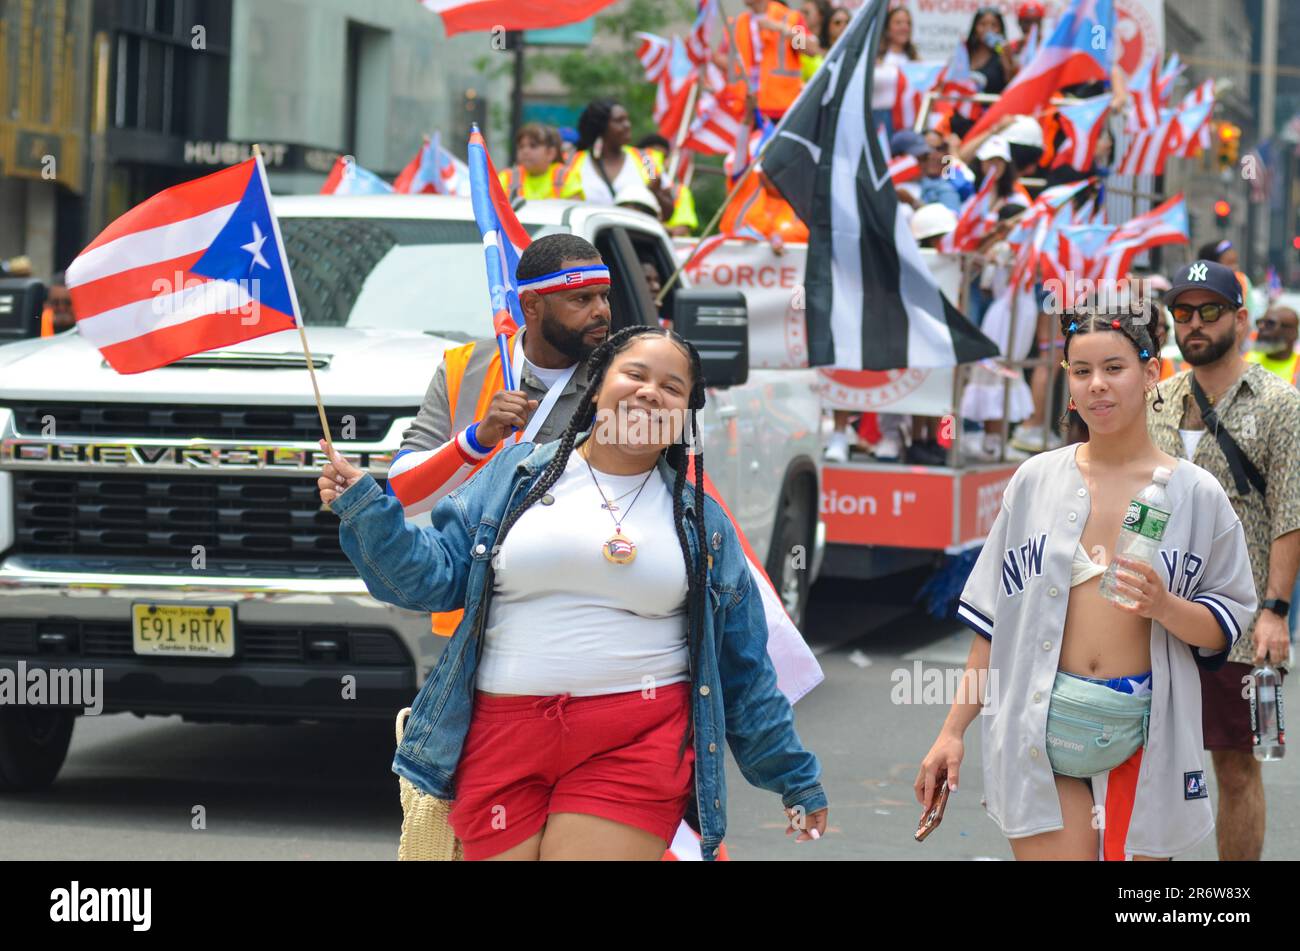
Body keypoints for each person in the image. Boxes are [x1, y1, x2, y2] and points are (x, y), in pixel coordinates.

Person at [319, 325, 829, 860]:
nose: (650, 391)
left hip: (636, 742)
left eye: (673, 387)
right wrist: (366, 510)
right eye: (634, 374)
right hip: (501, 738)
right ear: (596, 386)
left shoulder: (704, 525)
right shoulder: (514, 478)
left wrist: (795, 777)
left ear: (685, 415)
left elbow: (744, 670)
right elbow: (429, 578)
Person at [919, 305, 1257, 860]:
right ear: (1068, 383)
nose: (1097, 384)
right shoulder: (1034, 481)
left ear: (1151, 374)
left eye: (1114, 368)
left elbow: (1223, 628)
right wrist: (952, 731)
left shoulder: (1196, 495)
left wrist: (1164, 605)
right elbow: (992, 622)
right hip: (1039, 725)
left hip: (1146, 733)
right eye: (1081, 371)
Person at [1146, 260, 1300, 861]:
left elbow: (1290, 511)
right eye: (1182, 312)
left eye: (1210, 311)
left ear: (1241, 319)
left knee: (1236, 770)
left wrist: (1275, 612)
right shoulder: (1155, 398)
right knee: (1146, 762)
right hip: (1153, 619)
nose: (1195, 323)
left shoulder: (1280, 404)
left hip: (1239, 625)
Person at [560, 100, 674, 220]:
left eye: (627, 119)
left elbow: (668, 212)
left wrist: (654, 192)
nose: (627, 125)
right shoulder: (572, 162)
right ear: (601, 127)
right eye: (619, 121)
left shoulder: (647, 160)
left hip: (635, 236)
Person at [733, 0, 808, 121]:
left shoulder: (792, 16)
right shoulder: (739, 22)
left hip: (782, 107)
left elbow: (805, 48)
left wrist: (783, 29)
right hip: (748, 107)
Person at [636, 133, 699, 237]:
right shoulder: (628, 184)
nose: (657, 161)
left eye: (663, 157)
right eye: (651, 157)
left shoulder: (678, 191)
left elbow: (682, 229)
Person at [871, 5, 919, 135]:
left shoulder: (915, 61)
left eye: (908, 23)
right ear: (887, 28)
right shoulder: (876, 58)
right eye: (898, 23)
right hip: (879, 119)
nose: (905, 27)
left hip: (908, 123)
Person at [890, 130, 961, 213]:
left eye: (925, 157)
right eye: (919, 158)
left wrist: (913, 202)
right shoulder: (883, 186)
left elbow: (949, 221)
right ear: (899, 159)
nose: (925, 163)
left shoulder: (940, 189)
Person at [499, 123, 566, 201]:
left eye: (533, 146)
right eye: (521, 146)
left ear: (550, 153)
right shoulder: (506, 177)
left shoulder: (566, 177)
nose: (525, 151)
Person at [965, 7, 1018, 97]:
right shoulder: (965, 52)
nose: (988, 29)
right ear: (974, 28)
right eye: (982, 24)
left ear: (1000, 30)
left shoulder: (1003, 52)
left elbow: (1012, 85)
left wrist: (1005, 55)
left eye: (994, 25)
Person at [1244, 305, 1299, 385]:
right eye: (1260, 322)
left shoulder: (1297, 369)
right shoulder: (1246, 359)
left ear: (1292, 333)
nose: (1261, 327)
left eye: (1270, 323)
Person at [798, 0, 834, 80]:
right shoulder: (797, 39)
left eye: (806, 13)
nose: (801, 16)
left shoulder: (831, 39)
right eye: (800, 12)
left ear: (821, 16)